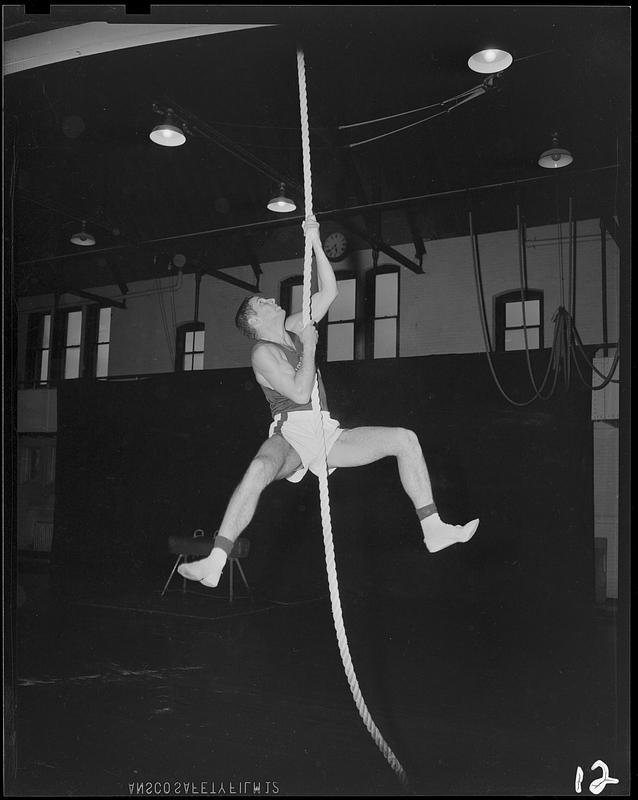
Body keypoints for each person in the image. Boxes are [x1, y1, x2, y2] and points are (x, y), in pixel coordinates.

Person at [179, 218, 479, 588]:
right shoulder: (262, 352)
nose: (273, 300)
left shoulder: (292, 327)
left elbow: (329, 293)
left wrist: (316, 243)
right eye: (263, 301)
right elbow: (301, 394)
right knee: (259, 468)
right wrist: (312, 346)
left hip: (325, 431)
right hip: (292, 432)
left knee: (405, 439)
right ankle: (216, 559)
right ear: (254, 319)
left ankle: (433, 528)